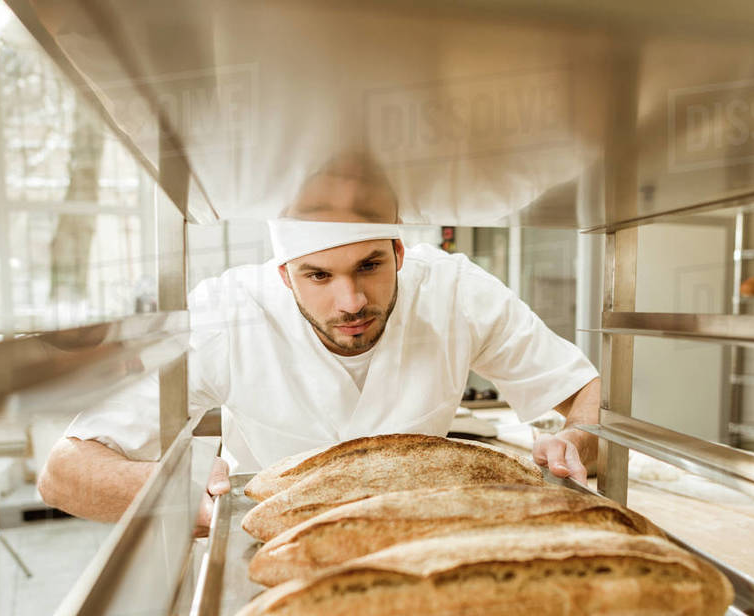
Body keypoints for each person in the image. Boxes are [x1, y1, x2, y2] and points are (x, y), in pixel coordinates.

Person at [38, 153, 600, 532]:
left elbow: (587, 394)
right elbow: (63, 472)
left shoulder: (456, 292)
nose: (351, 301)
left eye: (370, 265)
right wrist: (181, 496)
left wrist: (576, 442)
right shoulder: (227, 314)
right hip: (275, 548)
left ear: (400, 253)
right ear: (284, 274)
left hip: (421, 537)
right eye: (319, 276)